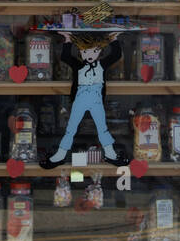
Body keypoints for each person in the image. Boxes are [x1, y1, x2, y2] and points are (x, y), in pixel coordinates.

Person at [40, 32, 126, 167]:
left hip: (96, 98)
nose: (90, 55)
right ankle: (60, 155)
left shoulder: (102, 65)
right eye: (85, 52)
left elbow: (116, 55)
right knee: (71, 127)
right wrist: (67, 39)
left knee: (102, 127)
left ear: (100, 52)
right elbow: (65, 56)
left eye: (94, 51)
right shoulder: (78, 66)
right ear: (80, 52)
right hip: (80, 98)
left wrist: (113, 39)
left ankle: (110, 154)